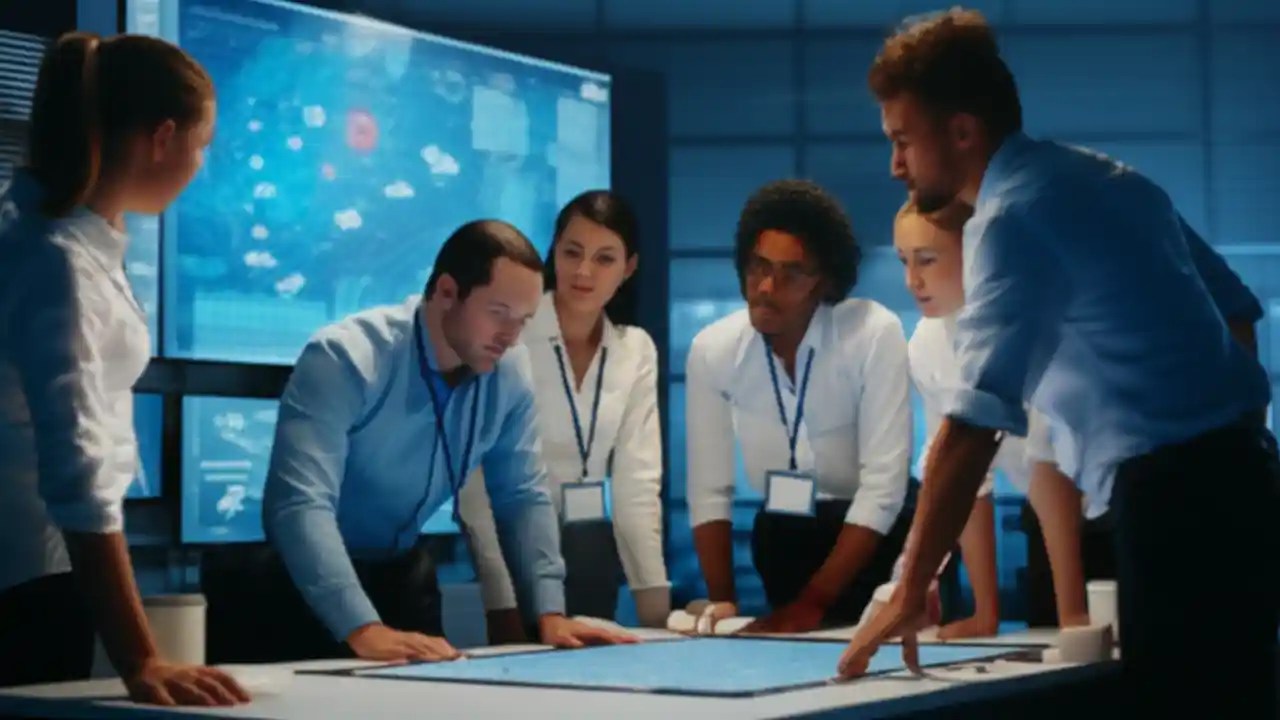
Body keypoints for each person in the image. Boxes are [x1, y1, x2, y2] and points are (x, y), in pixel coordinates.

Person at [840, 9, 1277, 716]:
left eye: (902, 141)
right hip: (1244, 482)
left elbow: (976, 420)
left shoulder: (1011, 219)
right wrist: (1227, 429)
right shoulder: (1110, 179)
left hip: (1175, 503)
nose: (895, 165)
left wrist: (906, 584)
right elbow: (1236, 310)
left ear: (961, 131)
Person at [247, 219, 634, 663]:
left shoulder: (508, 374)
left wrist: (550, 613)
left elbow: (521, 497)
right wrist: (362, 627)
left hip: (401, 572)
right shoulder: (346, 358)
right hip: (298, 583)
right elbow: (299, 504)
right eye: (498, 313)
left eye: (523, 320)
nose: (511, 336)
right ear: (447, 292)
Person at [0, 32, 249, 706]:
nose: (202, 163)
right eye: (201, 143)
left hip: (50, 570)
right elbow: (77, 469)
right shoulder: (55, 260)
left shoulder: (66, 238)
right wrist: (141, 658)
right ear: (161, 138)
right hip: (29, 579)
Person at [685, 179, 914, 634]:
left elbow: (883, 489)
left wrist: (812, 604)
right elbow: (710, 491)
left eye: (791, 273)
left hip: (874, 537)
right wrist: (722, 602)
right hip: (784, 534)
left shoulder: (871, 332)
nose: (767, 287)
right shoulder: (713, 349)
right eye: (758, 267)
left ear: (823, 282)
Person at [459, 192, 669, 644]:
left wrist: (654, 605)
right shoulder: (510, 335)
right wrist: (500, 600)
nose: (584, 271)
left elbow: (638, 482)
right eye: (572, 252)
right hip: (515, 548)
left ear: (628, 268)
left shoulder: (635, 349)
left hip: (592, 546)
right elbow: (474, 479)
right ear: (552, 251)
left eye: (604, 258)